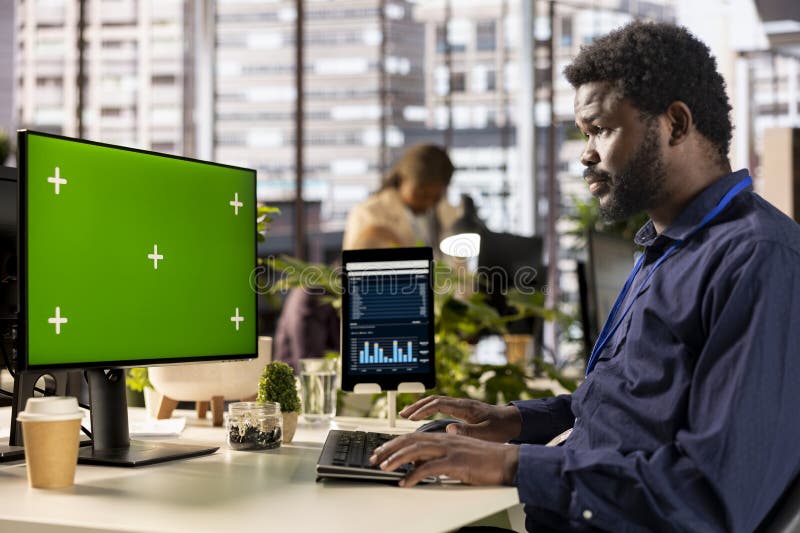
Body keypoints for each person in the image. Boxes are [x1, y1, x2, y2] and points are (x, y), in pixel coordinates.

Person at [369, 21, 800, 532]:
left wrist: (511, 463)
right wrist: (515, 422)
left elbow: (711, 494)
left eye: (600, 129)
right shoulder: (668, 247)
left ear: (676, 125)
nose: (586, 153)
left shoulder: (758, 259)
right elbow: (634, 405)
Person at [342, 143, 461, 252]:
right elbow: (353, 267)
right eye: (421, 194)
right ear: (402, 179)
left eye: (436, 197)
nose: (428, 203)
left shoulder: (450, 213)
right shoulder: (367, 213)